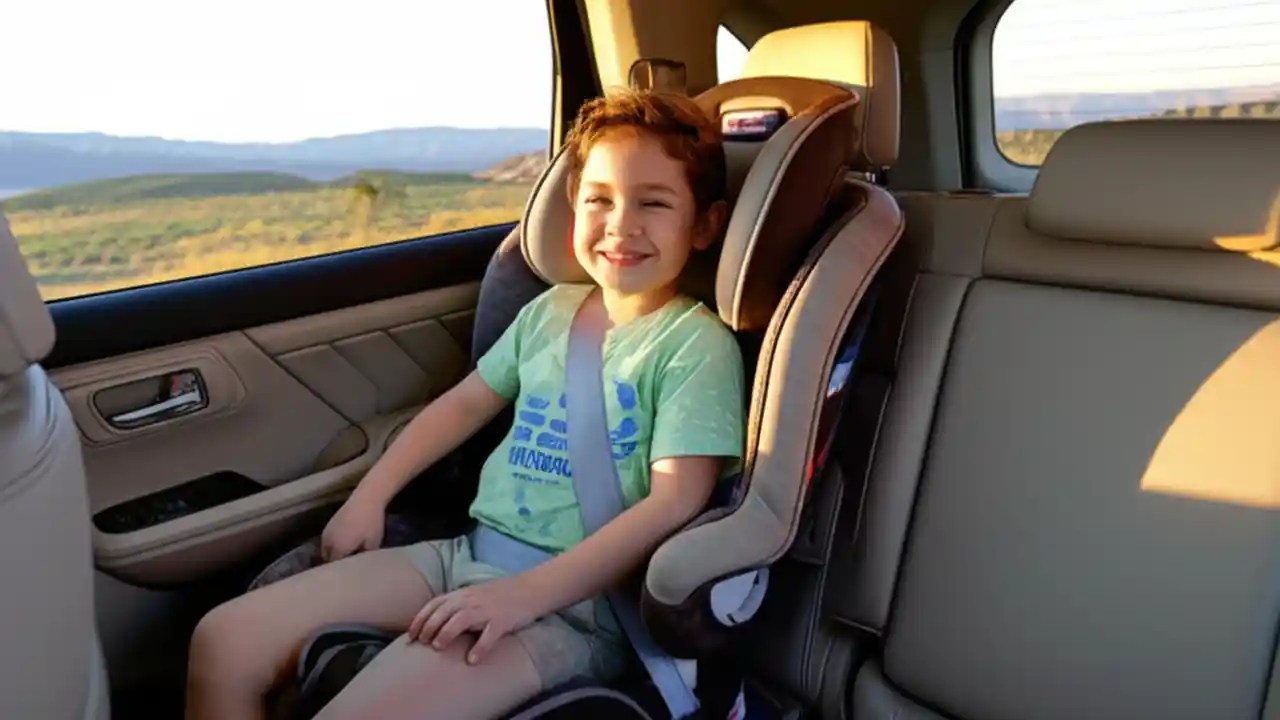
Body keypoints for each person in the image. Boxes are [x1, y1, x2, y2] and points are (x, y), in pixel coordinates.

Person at [185, 88, 746, 720]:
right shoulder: (549, 312)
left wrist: (522, 597)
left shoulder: (695, 346)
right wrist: (369, 497)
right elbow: (459, 407)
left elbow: (676, 502)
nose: (621, 224)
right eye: (600, 199)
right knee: (222, 643)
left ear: (704, 225)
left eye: (654, 203)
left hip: (578, 611)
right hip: (466, 554)